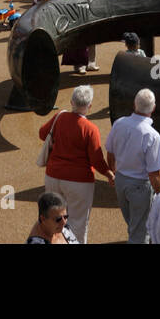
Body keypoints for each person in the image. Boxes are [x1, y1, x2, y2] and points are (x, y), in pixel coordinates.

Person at [38, 85, 113, 243]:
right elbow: (96, 159)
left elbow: (42, 133)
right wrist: (108, 173)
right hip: (79, 182)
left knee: (53, 221)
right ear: (89, 106)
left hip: (53, 176)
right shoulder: (90, 128)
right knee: (77, 223)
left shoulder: (59, 116)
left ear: (72, 102)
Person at [104, 88, 160, 244]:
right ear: (153, 108)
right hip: (139, 187)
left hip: (121, 182)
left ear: (134, 104)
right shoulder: (152, 135)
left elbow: (110, 152)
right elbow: (154, 173)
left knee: (134, 226)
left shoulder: (118, 124)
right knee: (139, 234)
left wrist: (112, 172)